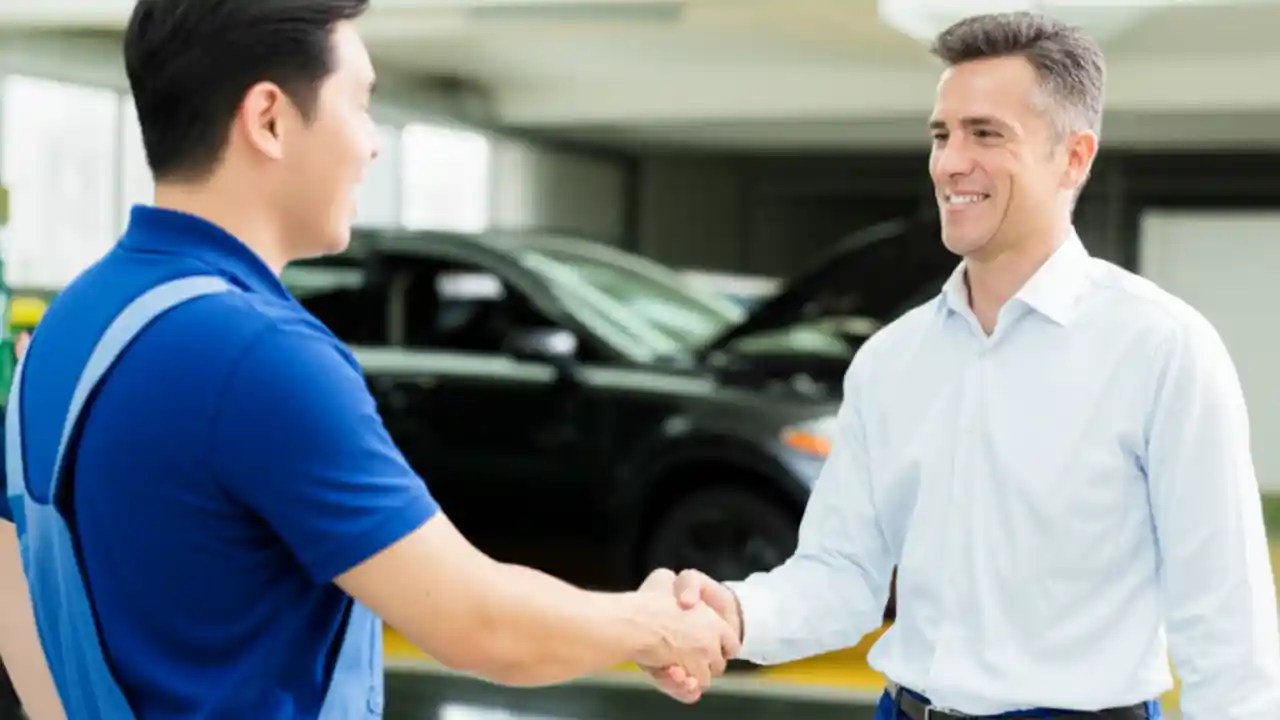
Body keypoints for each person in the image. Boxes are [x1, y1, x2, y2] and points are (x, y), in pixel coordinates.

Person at [0, 1, 736, 718]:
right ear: (269, 119)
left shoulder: (67, 327)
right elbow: (479, 623)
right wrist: (655, 624)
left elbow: (15, 586)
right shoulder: (258, 354)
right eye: (361, 104)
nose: (373, 143)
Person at [647, 11, 1280, 719]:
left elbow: (1227, 626)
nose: (950, 163)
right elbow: (844, 575)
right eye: (942, 134)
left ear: (1074, 156)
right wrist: (734, 612)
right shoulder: (891, 361)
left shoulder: (1162, 349)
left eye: (987, 134)